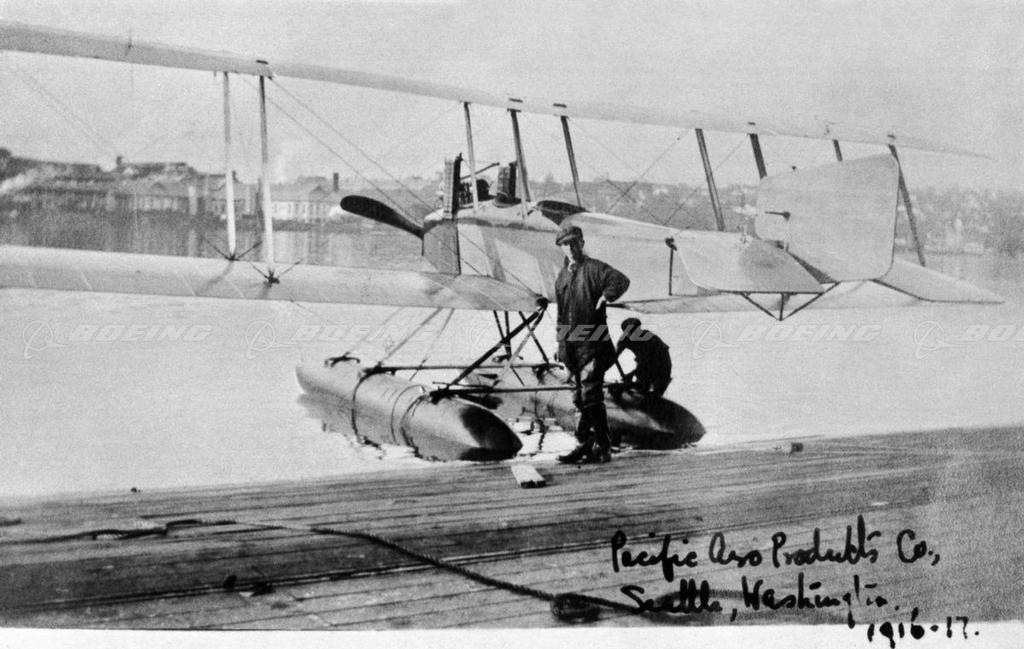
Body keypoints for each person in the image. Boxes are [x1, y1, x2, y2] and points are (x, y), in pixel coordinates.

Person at [553, 223, 630, 465]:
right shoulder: (562, 276)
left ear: (582, 244)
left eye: (574, 243)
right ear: (561, 248)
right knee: (579, 396)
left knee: (590, 392)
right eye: (565, 244)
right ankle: (589, 445)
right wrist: (560, 344)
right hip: (572, 345)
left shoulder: (596, 268)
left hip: (593, 344)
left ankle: (600, 446)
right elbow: (561, 314)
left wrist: (605, 296)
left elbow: (621, 280)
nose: (570, 248)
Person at [615, 317, 672, 397]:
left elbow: (646, 362)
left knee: (656, 391)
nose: (636, 334)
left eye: (637, 331)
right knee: (641, 385)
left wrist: (631, 374)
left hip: (662, 362)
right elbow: (614, 355)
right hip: (644, 361)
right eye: (631, 332)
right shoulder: (624, 339)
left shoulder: (649, 338)